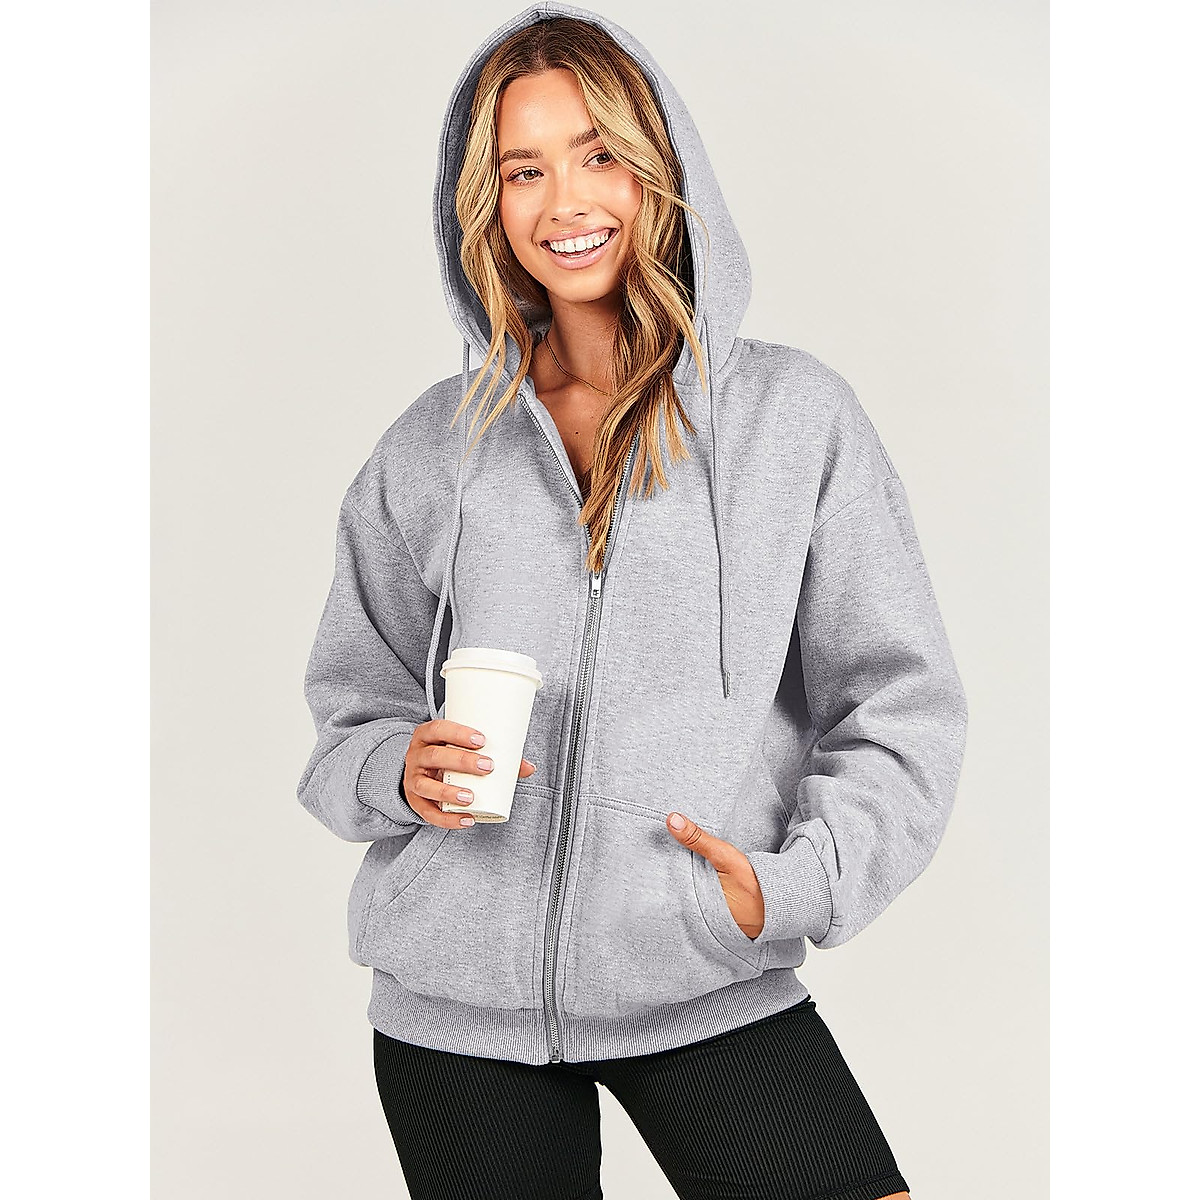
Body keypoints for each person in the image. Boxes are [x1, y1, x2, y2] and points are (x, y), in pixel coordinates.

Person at [296, 5, 969, 1198]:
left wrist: (795, 884)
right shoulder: (437, 446)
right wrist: (397, 768)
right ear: (487, 203)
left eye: (598, 154)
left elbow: (901, 705)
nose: (565, 201)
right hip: (456, 1008)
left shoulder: (792, 422)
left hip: (703, 970)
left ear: (661, 167)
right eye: (524, 169)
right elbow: (353, 706)